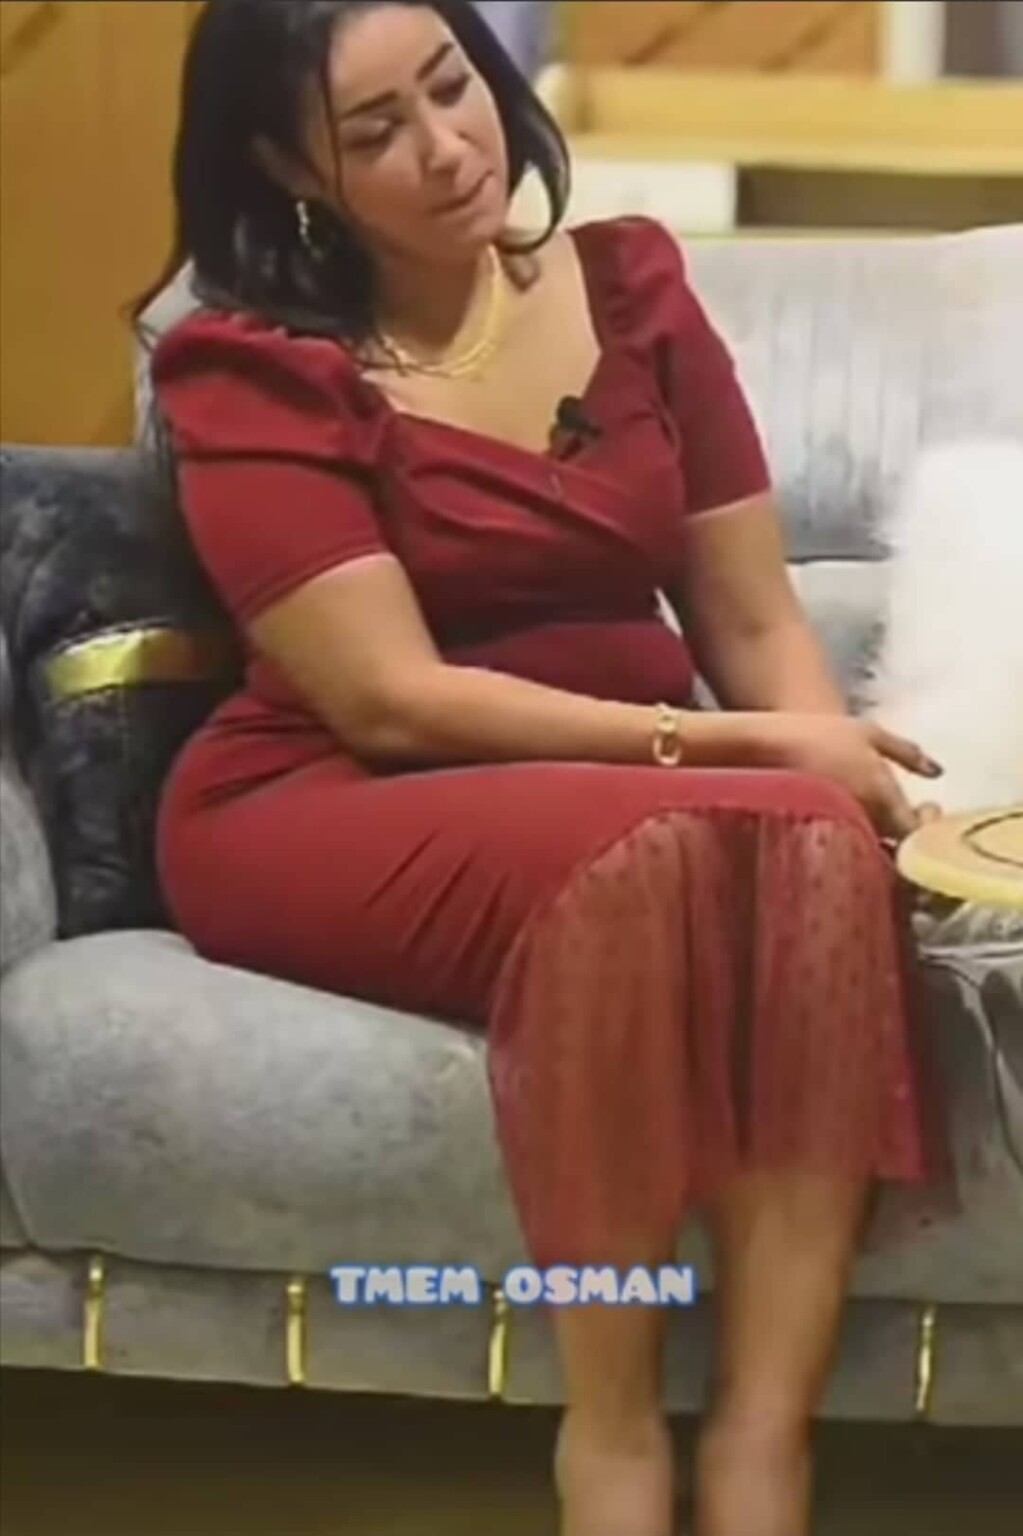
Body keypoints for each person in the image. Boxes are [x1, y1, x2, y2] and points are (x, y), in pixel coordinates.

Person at [143, 3, 949, 1533]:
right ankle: (617, 1445)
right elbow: (389, 702)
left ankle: (762, 1449)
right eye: (375, 131)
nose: (448, 146)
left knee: (816, 849)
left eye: (451, 86)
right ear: (289, 169)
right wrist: (747, 748)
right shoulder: (253, 371)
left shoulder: (635, 289)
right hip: (330, 798)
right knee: (663, 847)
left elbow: (753, 620)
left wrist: (842, 783)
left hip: (638, 786)